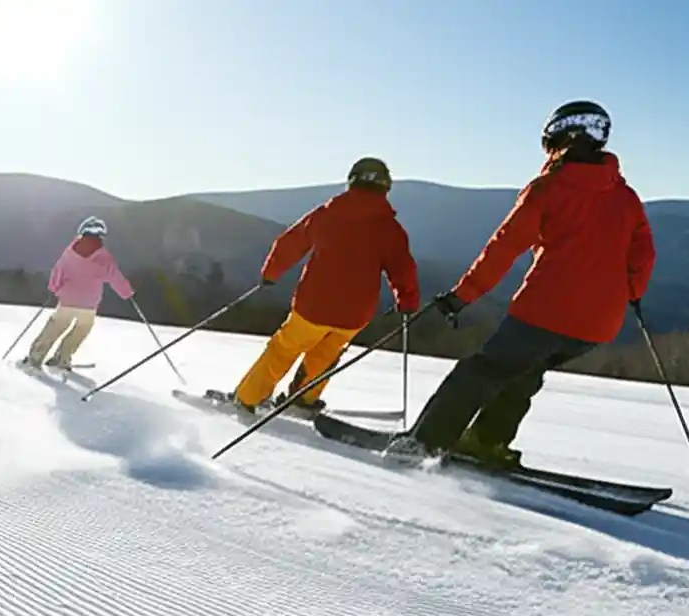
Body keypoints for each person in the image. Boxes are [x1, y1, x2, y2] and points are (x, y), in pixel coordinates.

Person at [392, 100, 656, 468]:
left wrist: (461, 296)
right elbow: (643, 254)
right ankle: (486, 441)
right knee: (524, 372)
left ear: (557, 139)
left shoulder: (549, 188)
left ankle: (422, 443)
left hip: (545, 312)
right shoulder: (626, 198)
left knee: (480, 372)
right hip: (599, 326)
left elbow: (503, 248)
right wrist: (632, 293)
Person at [230, 157, 420, 414]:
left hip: (313, 306)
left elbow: (290, 242)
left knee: (283, 350)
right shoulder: (390, 229)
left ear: (351, 181)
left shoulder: (326, 215)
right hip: (356, 314)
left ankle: (247, 398)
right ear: (386, 187)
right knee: (325, 356)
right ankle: (303, 401)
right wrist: (407, 301)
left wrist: (271, 273)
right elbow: (403, 269)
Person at [25, 216, 135, 370]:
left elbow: (59, 270)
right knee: (81, 330)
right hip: (89, 303)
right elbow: (115, 276)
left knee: (55, 326)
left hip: (68, 299)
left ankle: (35, 358)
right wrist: (127, 292)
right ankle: (62, 358)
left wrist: (54, 288)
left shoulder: (70, 252)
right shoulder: (104, 257)